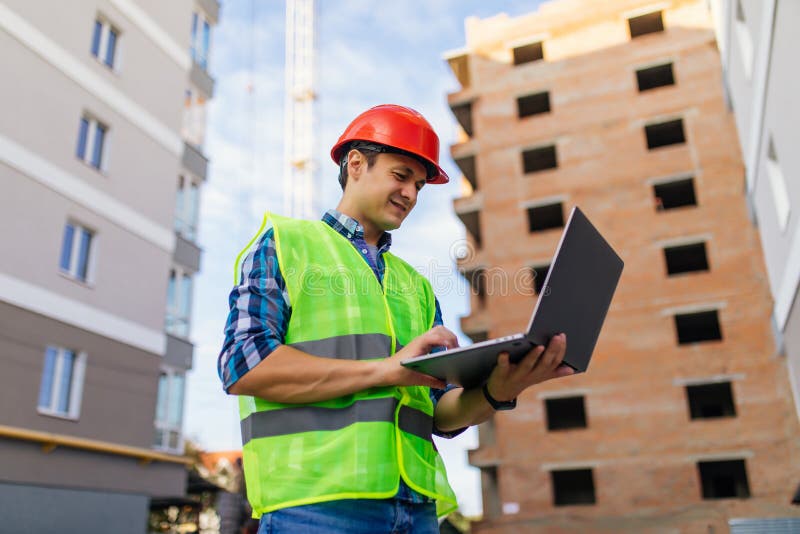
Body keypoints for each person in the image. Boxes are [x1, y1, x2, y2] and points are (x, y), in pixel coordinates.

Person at [217, 104, 574, 534]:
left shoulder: (416, 286)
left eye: (420, 186)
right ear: (355, 164)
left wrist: (500, 390)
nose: (410, 194)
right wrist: (389, 370)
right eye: (400, 175)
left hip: (415, 510)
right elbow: (244, 364)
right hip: (315, 507)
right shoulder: (286, 245)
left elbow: (440, 412)